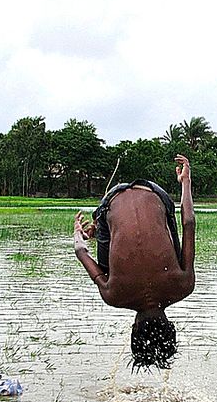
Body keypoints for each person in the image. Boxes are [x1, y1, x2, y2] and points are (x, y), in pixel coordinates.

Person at [73, 155, 195, 369]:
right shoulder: (114, 296)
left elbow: (188, 222)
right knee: (105, 273)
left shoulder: (184, 286)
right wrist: (77, 233)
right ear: (134, 330)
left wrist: (186, 182)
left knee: (163, 242)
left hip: (156, 194)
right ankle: (102, 227)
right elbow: (80, 252)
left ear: (169, 326)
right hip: (109, 202)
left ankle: (104, 229)